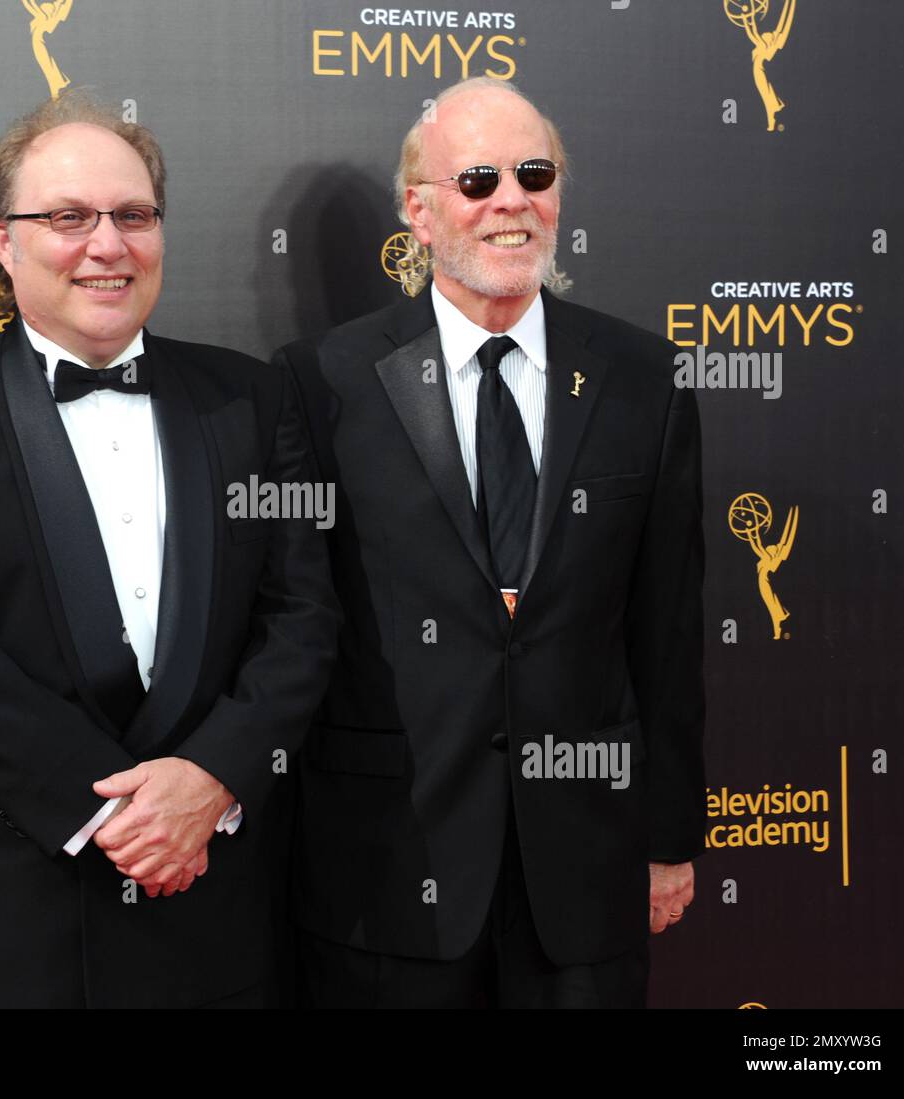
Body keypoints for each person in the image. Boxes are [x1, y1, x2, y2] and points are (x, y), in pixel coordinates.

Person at [0, 92, 338, 1008]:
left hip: (208, 920)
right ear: (3, 242)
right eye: (68, 217)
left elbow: (303, 618)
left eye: (134, 215)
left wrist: (211, 778)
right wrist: (115, 811)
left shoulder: (253, 400)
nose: (107, 245)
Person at [276, 77, 705, 1008]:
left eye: (533, 172)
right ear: (419, 212)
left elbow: (667, 627)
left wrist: (669, 836)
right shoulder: (325, 380)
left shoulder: (644, 378)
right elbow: (293, 622)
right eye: (477, 178)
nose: (511, 198)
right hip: (388, 868)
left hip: (587, 873)